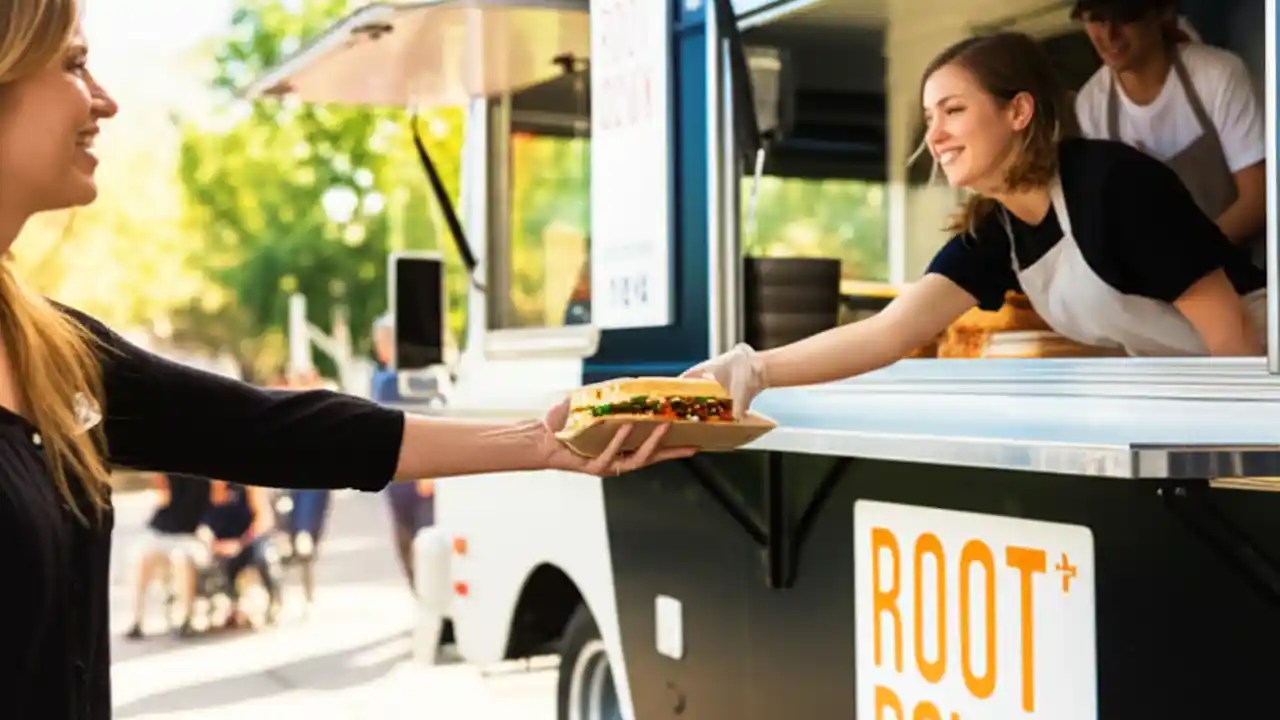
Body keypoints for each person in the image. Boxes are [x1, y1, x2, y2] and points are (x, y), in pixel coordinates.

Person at [0, 3, 694, 717]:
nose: (106, 100)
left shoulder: (53, 347)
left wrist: (545, 442)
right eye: (75, 64)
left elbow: (275, 430)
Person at [687, 31, 1268, 416]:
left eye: (954, 110)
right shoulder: (998, 230)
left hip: (1259, 380)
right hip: (1205, 396)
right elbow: (889, 333)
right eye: (928, 117)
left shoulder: (1114, 187)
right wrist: (752, 368)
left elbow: (1232, 340)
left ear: (1019, 110)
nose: (934, 136)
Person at [1071, 0, 1267, 268]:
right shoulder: (1090, 106)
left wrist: (1185, 263)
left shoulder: (1218, 75)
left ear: (1162, 11)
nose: (1109, 34)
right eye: (1095, 18)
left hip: (1249, 263)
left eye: (1125, 17)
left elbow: (1259, 198)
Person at [370, 312, 437, 590]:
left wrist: (430, 472)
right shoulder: (382, 378)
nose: (379, 348)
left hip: (420, 477)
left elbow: (433, 420)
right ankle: (420, 595)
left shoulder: (417, 377)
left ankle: (428, 599)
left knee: (424, 542)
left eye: (382, 342)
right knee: (405, 544)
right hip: (397, 477)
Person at [121, 472, 211, 640]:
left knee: (181, 558)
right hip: (162, 533)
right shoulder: (166, 477)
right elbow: (163, 499)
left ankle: (186, 618)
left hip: (189, 534)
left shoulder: (203, 482)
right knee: (143, 559)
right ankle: (137, 620)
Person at [196, 481, 282, 630]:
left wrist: (241, 543)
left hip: (250, 539)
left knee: (258, 561)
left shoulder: (249, 488)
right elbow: (202, 525)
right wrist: (213, 543)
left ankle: (266, 602)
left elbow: (264, 520)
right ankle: (232, 607)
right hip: (220, 545)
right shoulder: (208, 488)